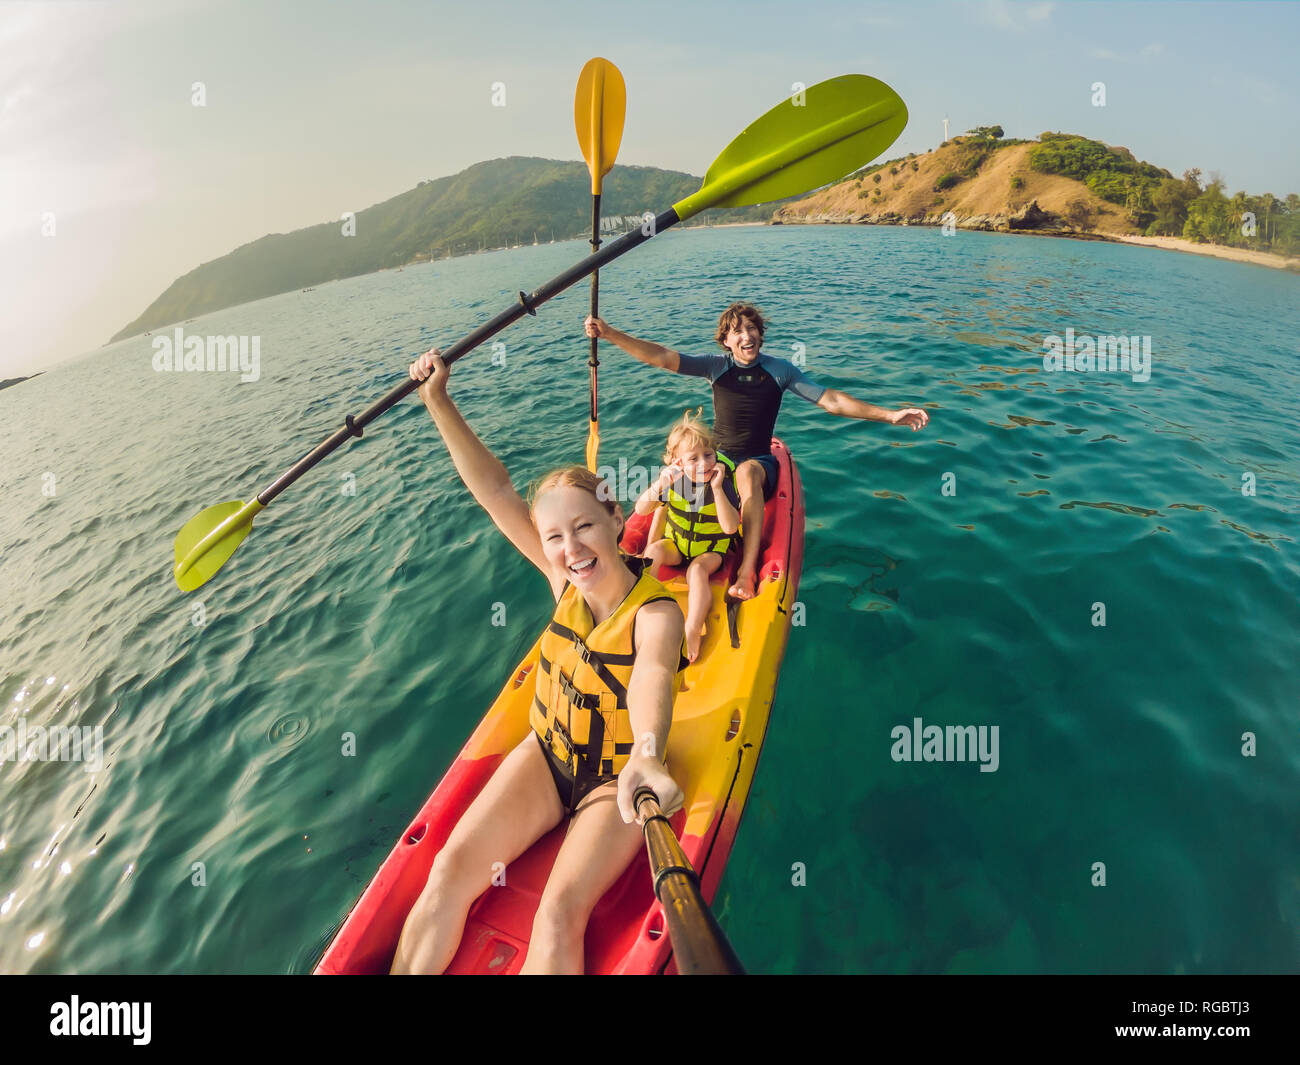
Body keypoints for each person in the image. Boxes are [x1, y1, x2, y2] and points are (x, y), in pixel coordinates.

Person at [390, 347, 687, 976]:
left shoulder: (656, 613)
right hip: (547, 755)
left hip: (615, 781)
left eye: (584, 526)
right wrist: (437, 401)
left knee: (557, 913)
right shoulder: (564, 585)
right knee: (449, 870)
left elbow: (653, 678)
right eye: (554, 537)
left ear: (614, 517)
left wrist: (649, 751)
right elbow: (496, 489)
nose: (570, 548)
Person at [584, 302, 930, 600]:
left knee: (747, 472)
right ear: (726, 341)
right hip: (717, 457)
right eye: (737, 331)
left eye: (751, 329)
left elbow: (832, 400)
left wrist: (890, 415)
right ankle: (643, 559)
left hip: (758, 460)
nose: (746, 336)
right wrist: (611, 333)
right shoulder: (717, 367)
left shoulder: (779, 370)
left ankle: (747, 570)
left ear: (760, 335)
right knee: (675, 475)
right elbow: (662, 357)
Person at [634, 409, 741, 662]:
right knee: (653, 552)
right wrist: (659, 485)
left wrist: (716, 488)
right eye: (693, 458)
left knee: (696, 572)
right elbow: (641, 509)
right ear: (677, 462)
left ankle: (693, 628)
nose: (704, 463)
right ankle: (636, 608)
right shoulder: (672, 480)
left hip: (710, 551)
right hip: (677, 545)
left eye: (708, 455)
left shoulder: (721, 481)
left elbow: (730, 528)